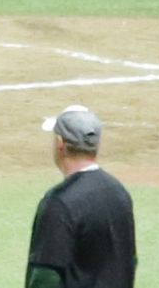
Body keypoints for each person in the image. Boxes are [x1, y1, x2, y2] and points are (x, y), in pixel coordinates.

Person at [27, 105, 137, 288]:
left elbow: (46, 276)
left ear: (60, 143)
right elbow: (129, 262)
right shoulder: (119, 193)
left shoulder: (59, 203)